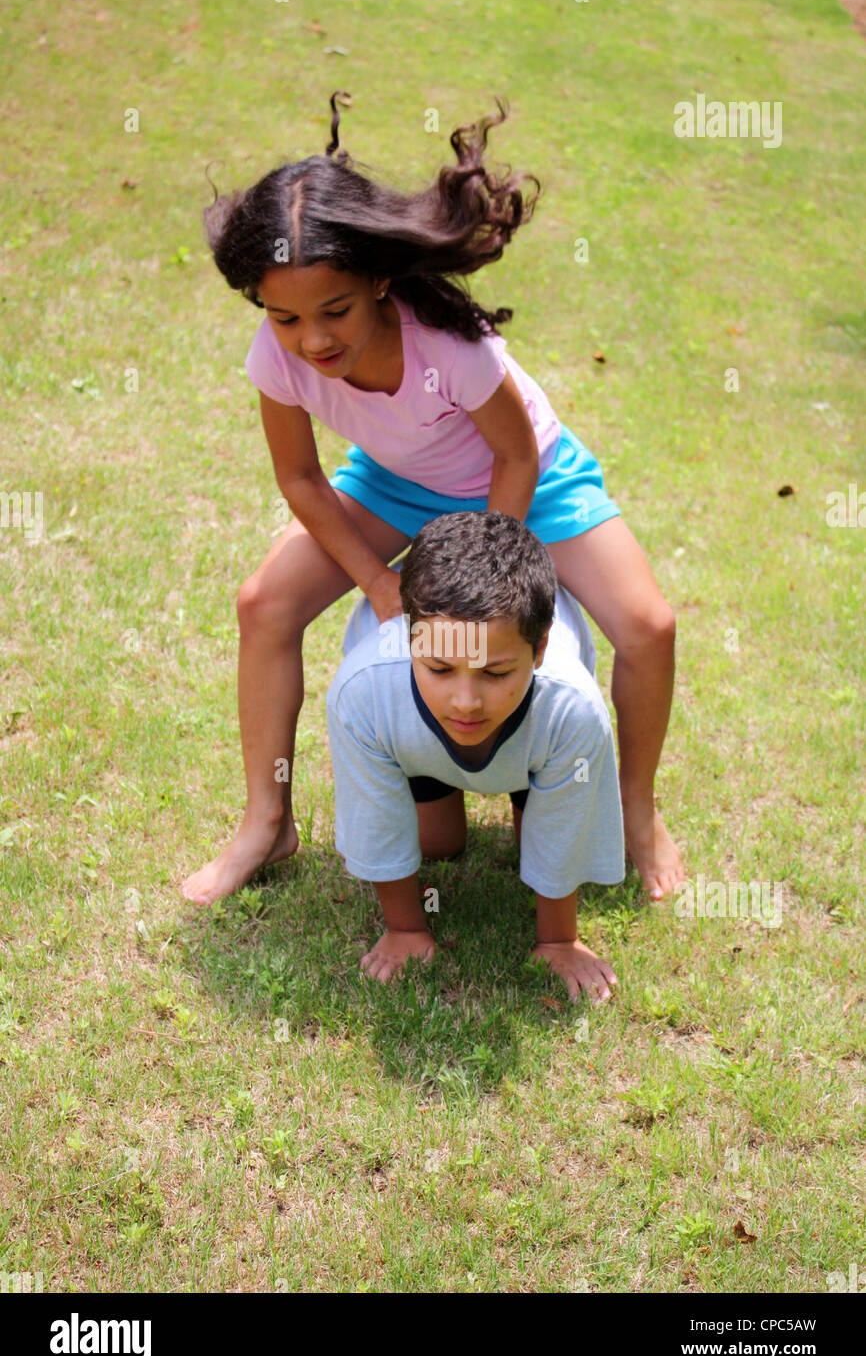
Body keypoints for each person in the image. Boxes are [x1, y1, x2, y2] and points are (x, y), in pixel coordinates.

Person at [182, 89, 683, 908]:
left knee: (649, 627)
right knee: (263, 603)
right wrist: (382, 586)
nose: (314, 340)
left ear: (379, 278)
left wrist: (487, 571)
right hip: (395, 484)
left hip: (523, 479)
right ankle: (265, 824)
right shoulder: (278, 357)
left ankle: (635, 810)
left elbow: (516, 451)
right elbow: (302, 480)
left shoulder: (450, 341)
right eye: (284, 318)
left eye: (334, 310)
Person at [327, 511, 624, 1004]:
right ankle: (439, 781)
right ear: (408, 639)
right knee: (437, 843)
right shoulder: (364, 692)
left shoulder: (572, 708)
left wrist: (557, 940)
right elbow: (376, 820)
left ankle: (524, 791)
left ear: (540, 648)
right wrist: (404, 929)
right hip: (415, 738)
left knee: (539, 849)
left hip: (533, 740)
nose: (465, 701)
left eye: (495, 673)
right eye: (440, 668)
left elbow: (568, 832)